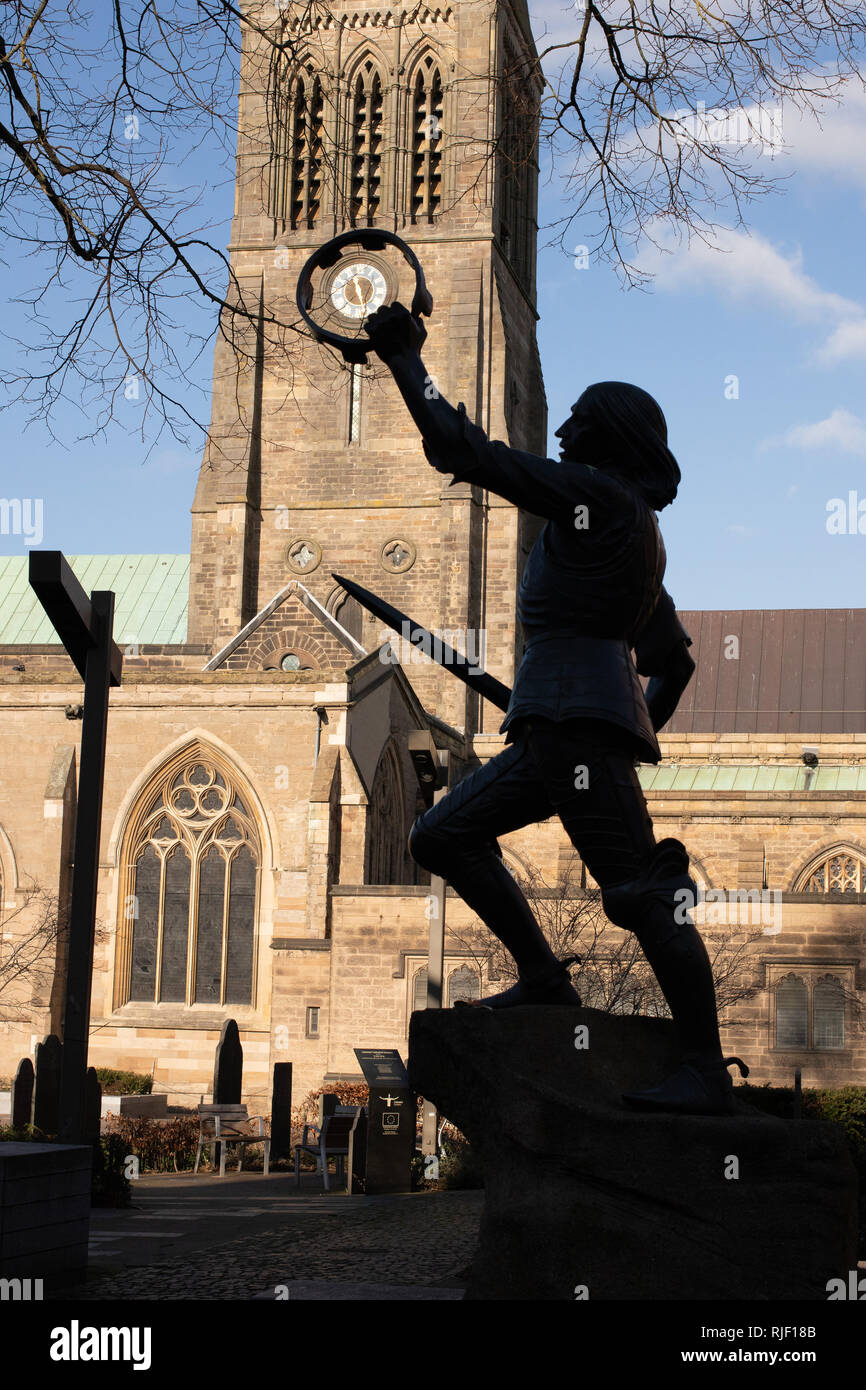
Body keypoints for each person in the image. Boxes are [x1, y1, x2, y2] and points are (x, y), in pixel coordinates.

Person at [362, 302, 747, 1116]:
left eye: (577, 421)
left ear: (608, 435)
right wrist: (626, 716)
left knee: (641, 894)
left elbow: (458, 448)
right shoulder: (627, 531)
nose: (564, 432)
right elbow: (672, 665)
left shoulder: (598, 501)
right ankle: (542, 977)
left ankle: (705, 1068)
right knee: (441, 834)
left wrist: (404, 357)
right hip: (559, 730)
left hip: (572, 732)